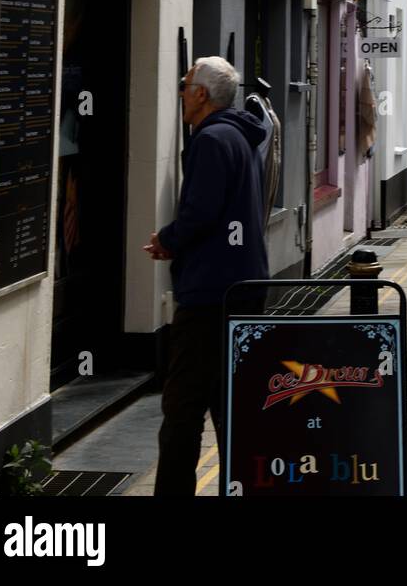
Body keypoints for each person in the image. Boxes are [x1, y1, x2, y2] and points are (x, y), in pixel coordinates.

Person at [146, 57, 270, 496]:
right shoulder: (239, 135)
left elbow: (200, 212)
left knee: (182, 406)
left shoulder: (212, 140)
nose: (180, 93)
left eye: (184, 85)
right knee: (227, 400)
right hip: (242, 285)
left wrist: (167, 239)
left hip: (211, 291)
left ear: (201, 94)